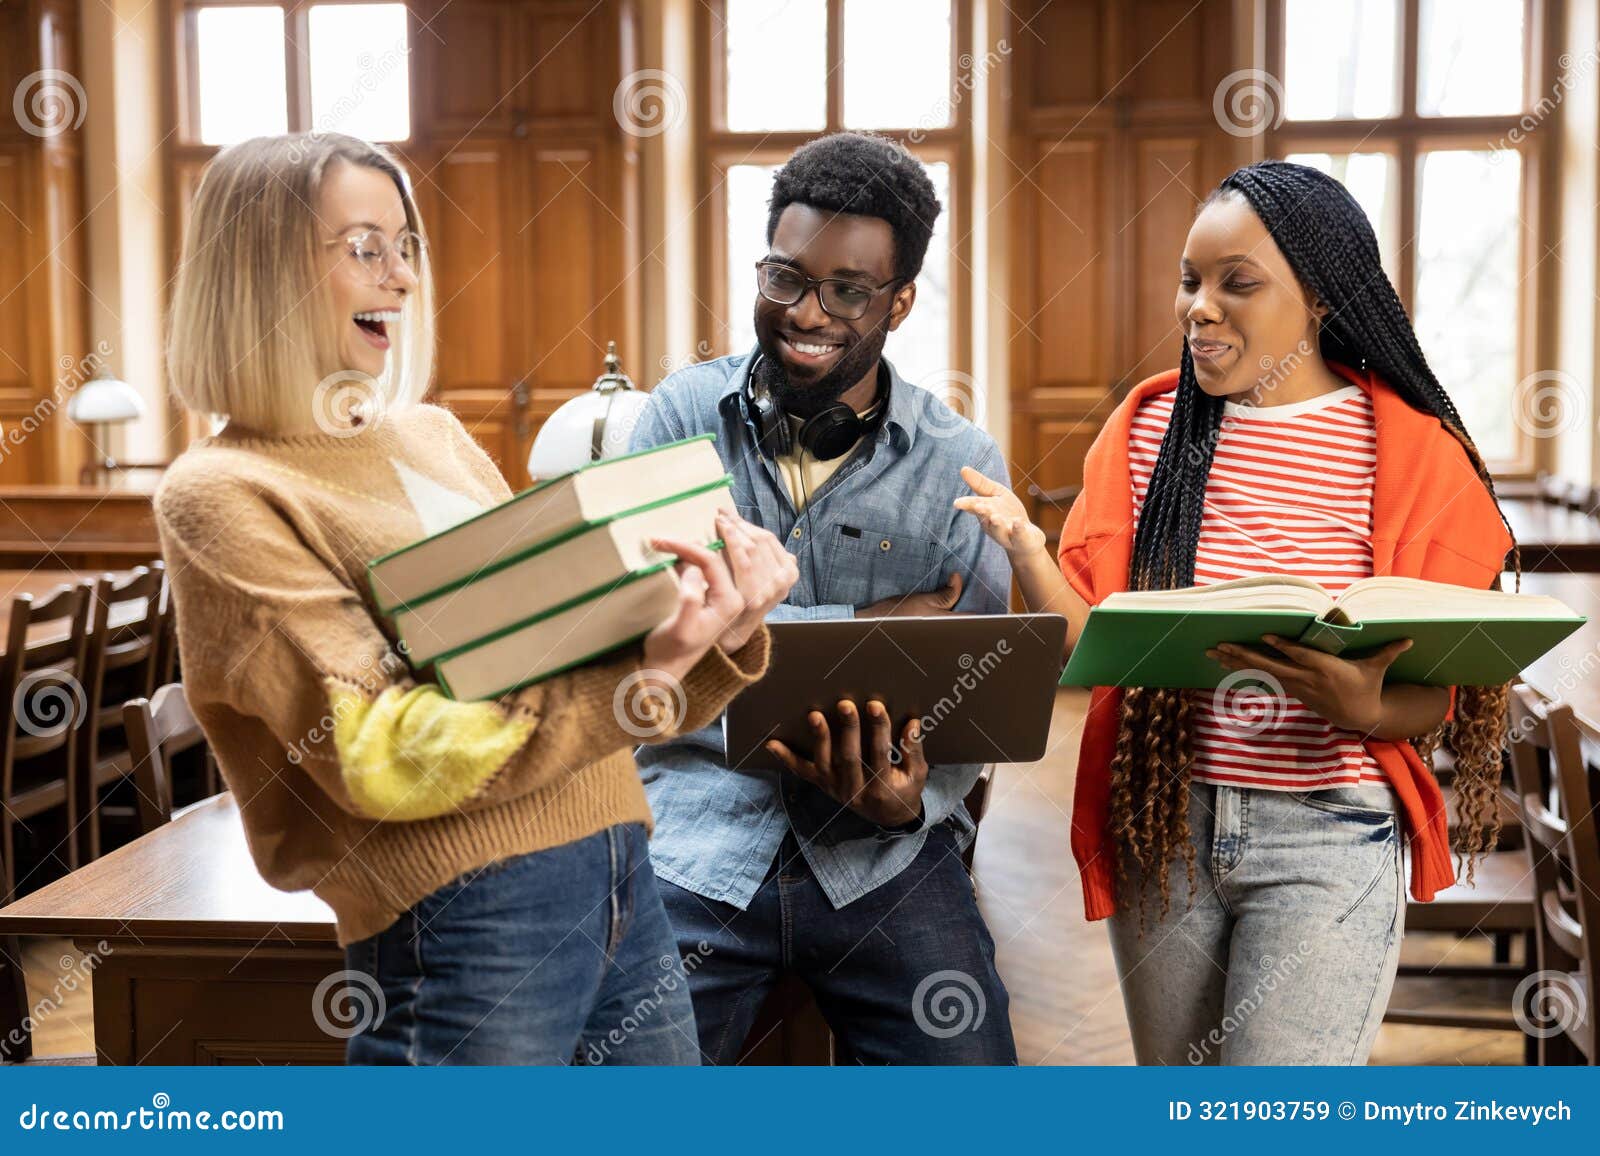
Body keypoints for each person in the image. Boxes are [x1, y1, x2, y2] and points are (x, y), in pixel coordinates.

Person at [156, 132, 796, 1065]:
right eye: (364, 247)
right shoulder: (221, 493)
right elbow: (377, 751)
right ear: (261, 271)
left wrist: (713, 631)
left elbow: (561, 661)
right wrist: (644, 675)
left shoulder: (434, 437)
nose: (403, 277)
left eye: (405, 246)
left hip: (619, 861)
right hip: (465, 916)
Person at [957, 160, 1514, 1065]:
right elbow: (1094, 647)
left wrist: (1367, 707)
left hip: (1331, 831)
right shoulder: (1148, 432)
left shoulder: (1414, 454)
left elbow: (1433, 699)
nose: (1199, 308)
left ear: (1322, 298)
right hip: (1164, 825)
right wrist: (1025, 547)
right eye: (1190, 281)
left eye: (1237, 283)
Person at [629, 131, 1017, 1064]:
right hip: (694, 830)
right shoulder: (679, 419)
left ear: (899, 301)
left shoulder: (963, 462)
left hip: (884, 850)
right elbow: (650, 642)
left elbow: (982, 690)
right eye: (785, 278)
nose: (806, 312)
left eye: (847, 290)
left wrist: (909, 804)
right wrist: (876, 623)